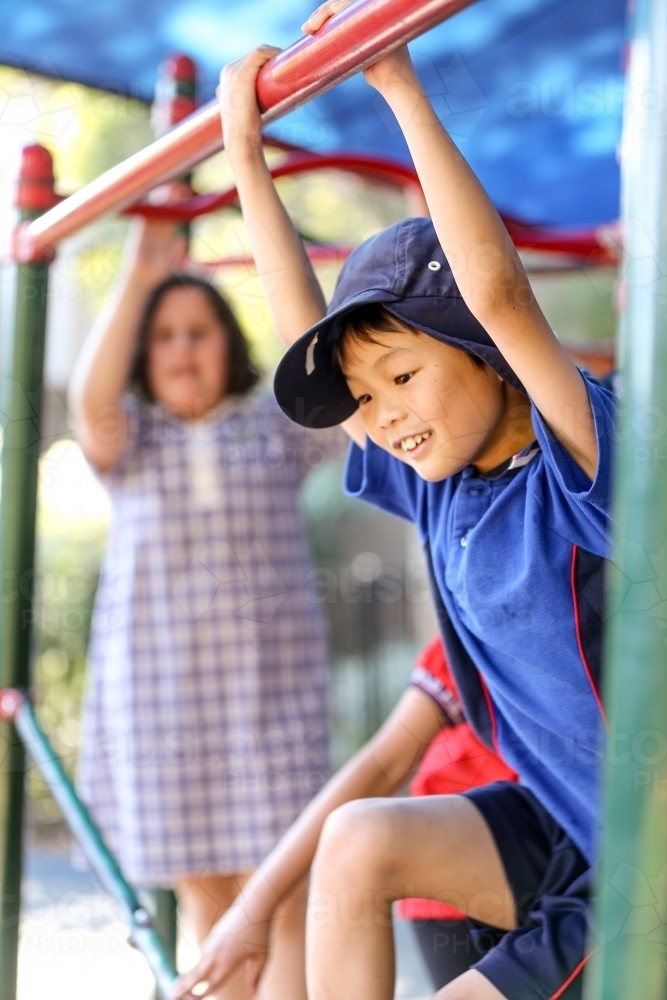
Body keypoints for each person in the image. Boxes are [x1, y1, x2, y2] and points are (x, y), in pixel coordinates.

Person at [175, 3, 614, 997]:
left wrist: (396, 79)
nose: (385, 416)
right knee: (357, 838)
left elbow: (499, 295)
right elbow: (305, 339)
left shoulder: (581, 471)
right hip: (554, 824)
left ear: (489, 362)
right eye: (368, 398)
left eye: (404, 377)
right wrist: (246, 156)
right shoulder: (442, 490)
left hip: (643, 856)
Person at [69, 214, 336, 1000]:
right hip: (165, 709)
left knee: (282, 890)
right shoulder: (133, 443)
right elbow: (91, 398)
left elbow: (322, 367)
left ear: (233, 345)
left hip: (270, 702)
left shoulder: (271, 432)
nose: (184, 348)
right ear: (143, 359)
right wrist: (139, 279)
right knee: (211, 902)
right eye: (165, 336)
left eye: (202, 331)